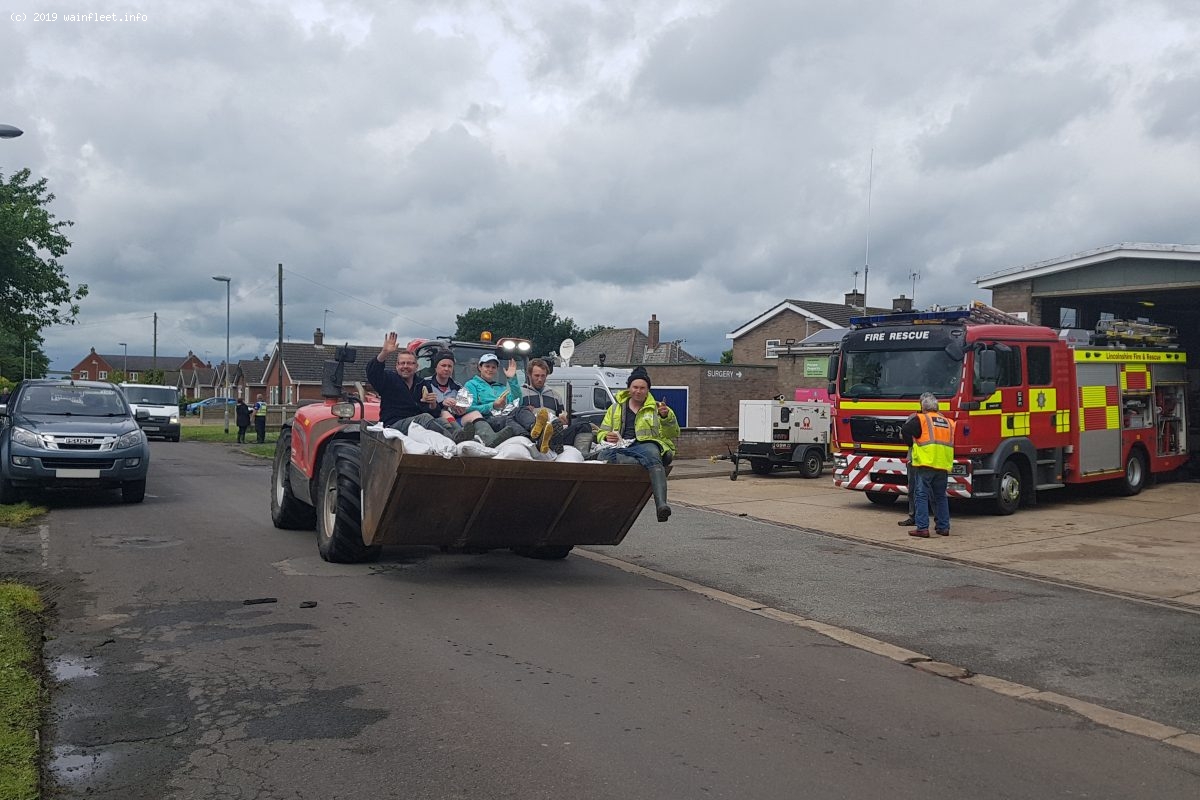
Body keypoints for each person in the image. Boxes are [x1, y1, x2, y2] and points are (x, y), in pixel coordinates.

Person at [595, 366, 680, 522]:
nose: (638, 391)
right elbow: (601, 432)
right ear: (629, 388)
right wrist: (606, 436)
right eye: (635, 387)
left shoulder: (659, 408)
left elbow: (672, 433)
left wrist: (666, 418)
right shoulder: (615, 408)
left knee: (653, 454)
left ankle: (662, 506)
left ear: (648, 390)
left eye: (642, 388)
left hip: (645, 446)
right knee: (603, 456)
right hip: (620, 447)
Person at [366, 333, 473, 440]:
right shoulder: (388, 379)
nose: (405, 366)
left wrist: (433, 404)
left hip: (417, 425)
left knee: (441, 420)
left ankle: (462, 436)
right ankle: (454, 439)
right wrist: (384, 353)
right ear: (397, 366)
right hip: (394, 424)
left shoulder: (422, 384)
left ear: (417, 366)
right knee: (424, 418)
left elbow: (434, 413)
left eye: (410, 363)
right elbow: (373, 372)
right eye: (402, 363)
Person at [418, 350, 506, 445]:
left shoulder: (459, 387)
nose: (446, 369)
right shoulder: (424, 383)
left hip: (455, 420)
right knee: (444, 412)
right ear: (436, 367)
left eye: (450, 366)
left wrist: (459, 409)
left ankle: (489, 438)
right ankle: (459, 434)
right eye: (443, 365)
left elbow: (465, 409)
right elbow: (420, 406)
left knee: (475, 413)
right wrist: (442, 404)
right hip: (434, 421)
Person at [902, 392, 955, 538]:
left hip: (925, 463)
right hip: (942, 464)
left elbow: (905, 429)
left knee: (921, 495)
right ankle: (943, 527)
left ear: (923, 407)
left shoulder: (922, 419)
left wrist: (910, 444)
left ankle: (922, 528)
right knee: (940, 496)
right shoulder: (947, 422)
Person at [463, 353, 522, 443]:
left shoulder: (501, 387)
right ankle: (524, 436)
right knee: (506, 420)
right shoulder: (470, 385)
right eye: (487, 366)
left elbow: (517, 402)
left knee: (522, 410)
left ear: (497, 370)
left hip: (506, 416)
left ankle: (535, 430)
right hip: (487, 420)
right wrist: (492, 406)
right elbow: (467, 409)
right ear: (480, 367)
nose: (490, 370)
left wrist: (512, 379)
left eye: (493, 367)